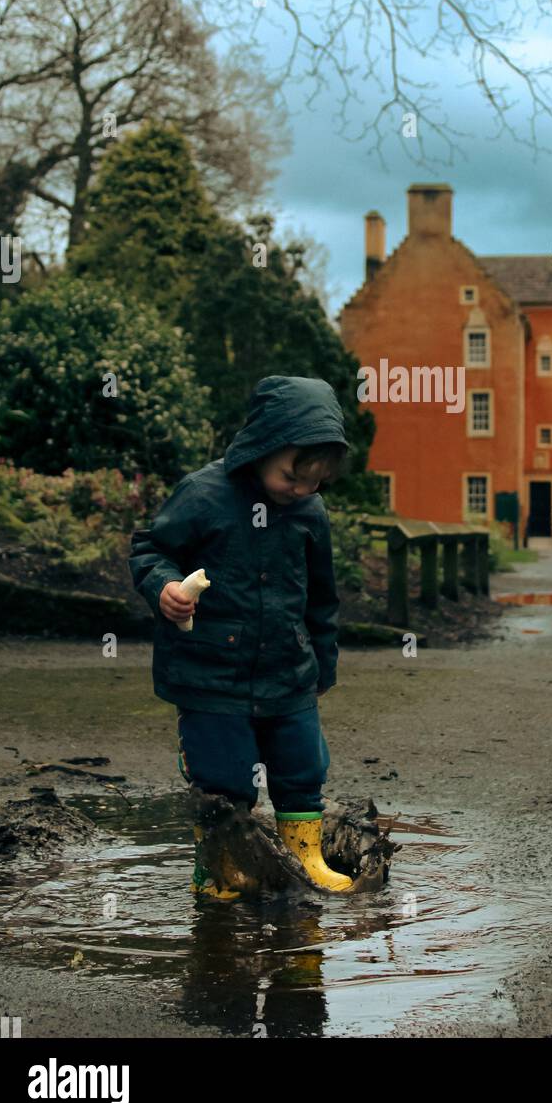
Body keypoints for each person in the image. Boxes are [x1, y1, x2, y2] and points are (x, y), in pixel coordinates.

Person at [130, 375, 353, 898]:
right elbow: (150, 549)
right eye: (291, 477)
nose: (301, 490)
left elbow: (322, 597)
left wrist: (322, 665)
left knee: (302, 768)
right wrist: (164, 586)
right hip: (210, 674)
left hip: (288, 671)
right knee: (226, 779)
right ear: (263, 447)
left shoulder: (309, 513)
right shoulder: (204, 494)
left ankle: (304, 856)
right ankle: (222, 865)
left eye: (315, 482)